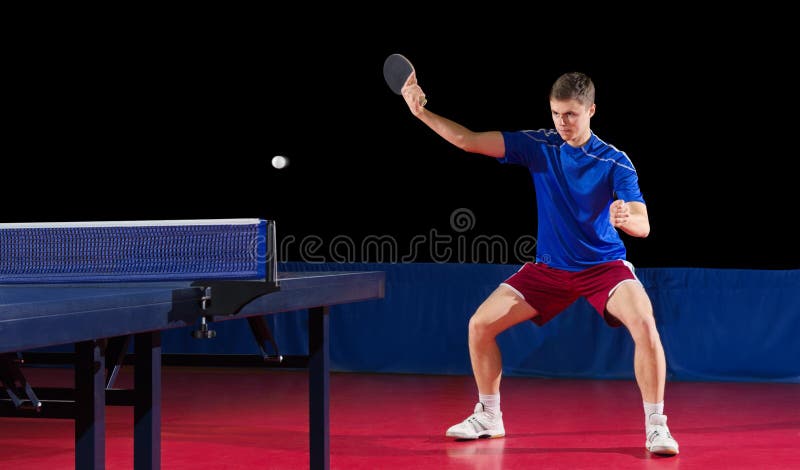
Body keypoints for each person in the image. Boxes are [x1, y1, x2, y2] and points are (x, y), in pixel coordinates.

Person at [400, 71, 679, 455]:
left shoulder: (614, 160)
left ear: (591, 110)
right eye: (555, 113)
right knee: (480, 324)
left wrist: (625, 219)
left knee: (644, 323)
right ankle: (489, 416)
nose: (562, 122)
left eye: (570, 114)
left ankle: (656, 426)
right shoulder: (538, 146)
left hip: (603, 267)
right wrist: (421, 113)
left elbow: (643, 225)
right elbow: (468, 141)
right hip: (549, 269)